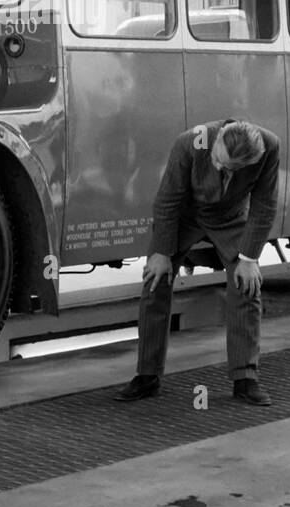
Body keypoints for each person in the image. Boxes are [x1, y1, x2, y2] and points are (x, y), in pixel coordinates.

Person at [118, 119, 280, 406]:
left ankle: (245, 378)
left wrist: (249, 258)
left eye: (231, 169)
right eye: (219, 161)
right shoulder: (189, 142)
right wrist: (161, 254)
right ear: (216, 141)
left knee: (247, 284)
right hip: (185, 215)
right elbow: (167, 199)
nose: (220, 169)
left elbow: (264, 204)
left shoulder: (269, 147)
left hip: (229, 218)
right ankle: (147, 375)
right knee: (155, 282)